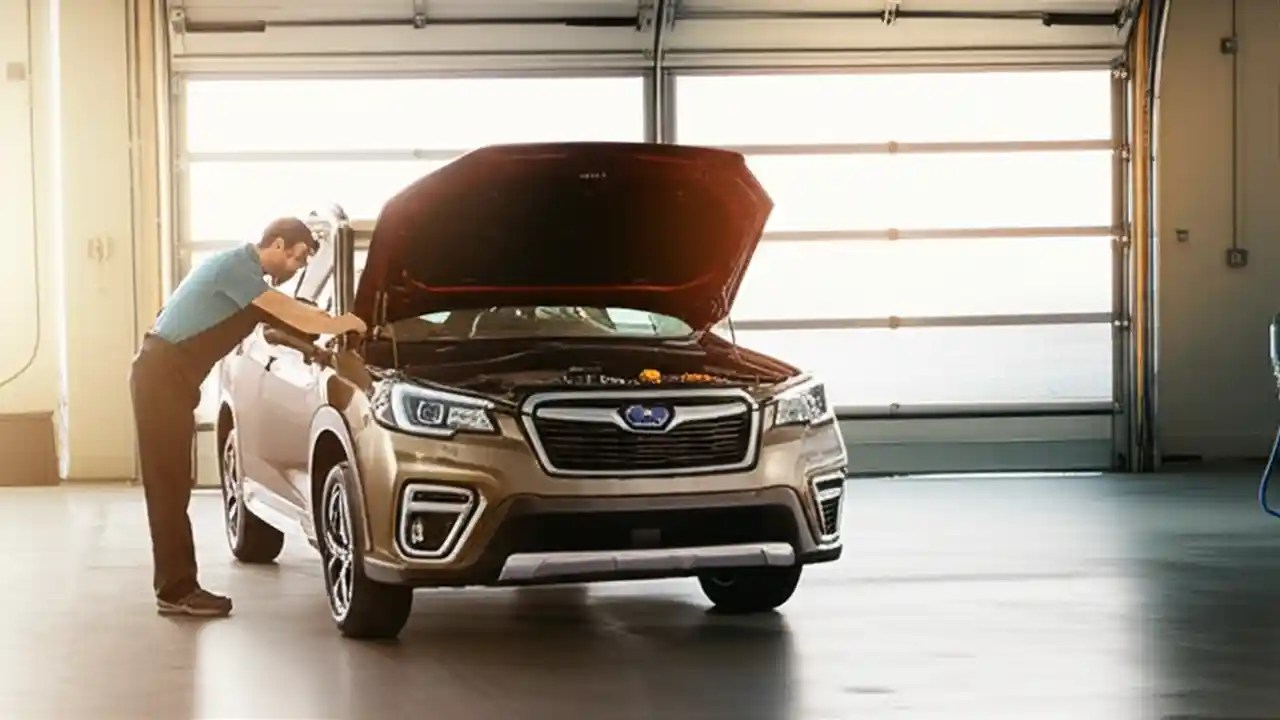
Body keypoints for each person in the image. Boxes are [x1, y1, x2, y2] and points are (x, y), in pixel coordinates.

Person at [130, 217, 367, 617]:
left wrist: (322, 329)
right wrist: (347, 322)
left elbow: (289, 317)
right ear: (277, 245)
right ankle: (176, 590)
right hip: (160, 377)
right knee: (168, 487)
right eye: (298, 260)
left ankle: (174, 588)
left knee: (173, 485)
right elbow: (298, 316)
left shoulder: (246, 279)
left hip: (167, 377)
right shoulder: (238, 270)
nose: (297, 270)